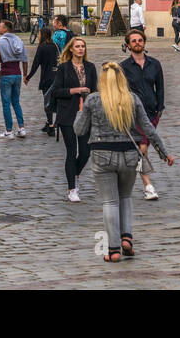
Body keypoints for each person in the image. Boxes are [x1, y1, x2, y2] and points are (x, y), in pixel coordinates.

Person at [74, 62, 173, 262]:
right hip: (129, 154)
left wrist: (81, 110)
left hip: (102, 155)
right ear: (122, 79)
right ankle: (126, 237)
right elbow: (148, 129)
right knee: (125, 198)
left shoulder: (93, 100)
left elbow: (79, 130)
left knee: (110, 201)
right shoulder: (132, 99)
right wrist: (164, 153)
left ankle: (113, 250)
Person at [49, 36, 97, 203]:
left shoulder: (90, 67)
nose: (80, 49)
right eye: (77, 46)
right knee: (71, 151)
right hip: (68, 115)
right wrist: (75, 90)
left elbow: (96, 90)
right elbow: (56, 91)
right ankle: (72, 188)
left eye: (83, 46)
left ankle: (75, 174)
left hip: (86, 115)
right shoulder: (63, 68)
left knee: (85, 152)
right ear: (71, 49)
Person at [120, 30, 165, 200]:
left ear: (144, 43)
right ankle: (148, 185)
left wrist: (160, 109)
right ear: (128, 45)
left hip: (152, 113)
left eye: (140, 40)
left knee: (139, 149)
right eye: (134, 41)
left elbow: (160, 87)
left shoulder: (155, 64)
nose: (137, 43)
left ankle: (129, 177)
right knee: (142, 148)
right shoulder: (123, 67)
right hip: (134, 114)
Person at [0, 20, 28, 139]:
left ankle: (9, 130)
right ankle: (21, 128)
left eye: (0, 26)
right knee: (16, 102)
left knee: (6, 103)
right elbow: (25, 59)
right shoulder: (19, 40)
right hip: (17, 74)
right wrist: (25, 75)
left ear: (5, 29)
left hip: (6, 74)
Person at [24, 19, 60, 136]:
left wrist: (28, 77)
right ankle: (49, 123)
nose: (38, 36)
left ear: (42, 35)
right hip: (56, 76)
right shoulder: (55, 45)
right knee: (56, 100)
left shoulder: (42, 47)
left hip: (46, 78)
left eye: (39, 34)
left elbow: (36, 64)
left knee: (47, 101)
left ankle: (51, 126)